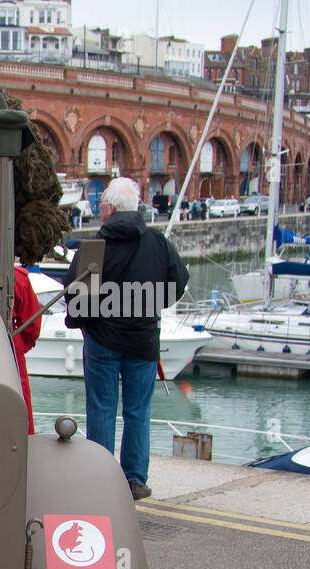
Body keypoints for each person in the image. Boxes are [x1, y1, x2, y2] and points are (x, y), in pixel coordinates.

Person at [67, 177, 189, 501]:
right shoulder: (157, 243)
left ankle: (102, 480)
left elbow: (75, 293)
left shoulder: (95, 246)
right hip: (143, 339)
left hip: (103, 339)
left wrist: (87, 320)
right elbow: (179, 282)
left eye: (101, 204)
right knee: (138, 411)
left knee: (102, 408)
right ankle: (135, 480)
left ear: (108, 208)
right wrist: (152, 304)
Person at [11, 266, 42, 435]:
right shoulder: (16, 276)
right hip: (10, 337)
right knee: (20, 395)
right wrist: (23, 346)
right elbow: (32, 322)